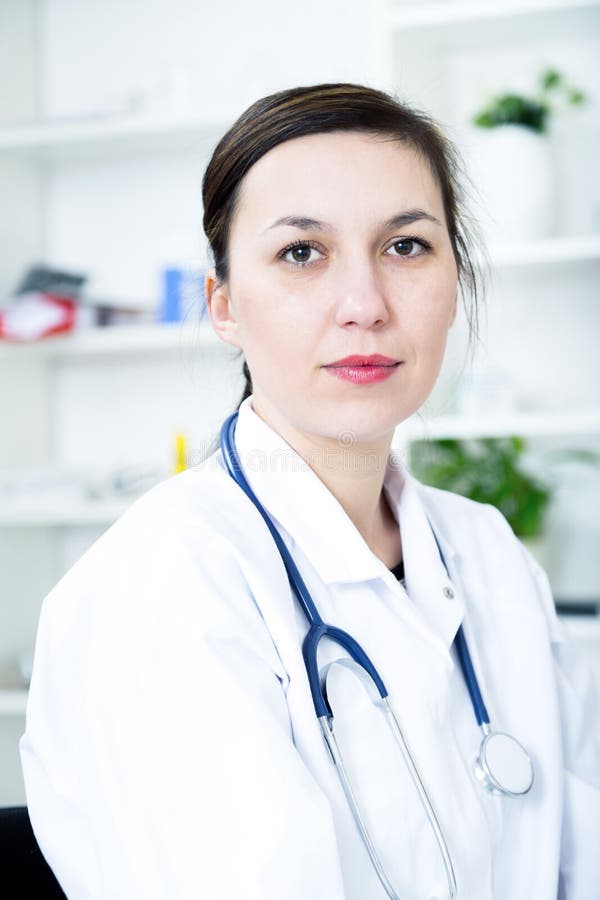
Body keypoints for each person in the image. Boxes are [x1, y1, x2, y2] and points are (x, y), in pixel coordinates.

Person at [20, 83, 599, 900]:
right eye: (302, 253)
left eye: (406, 247)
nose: (364, 306)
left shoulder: (489, 553)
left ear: (455, 284)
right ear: (224, 306)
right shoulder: (159, 587)